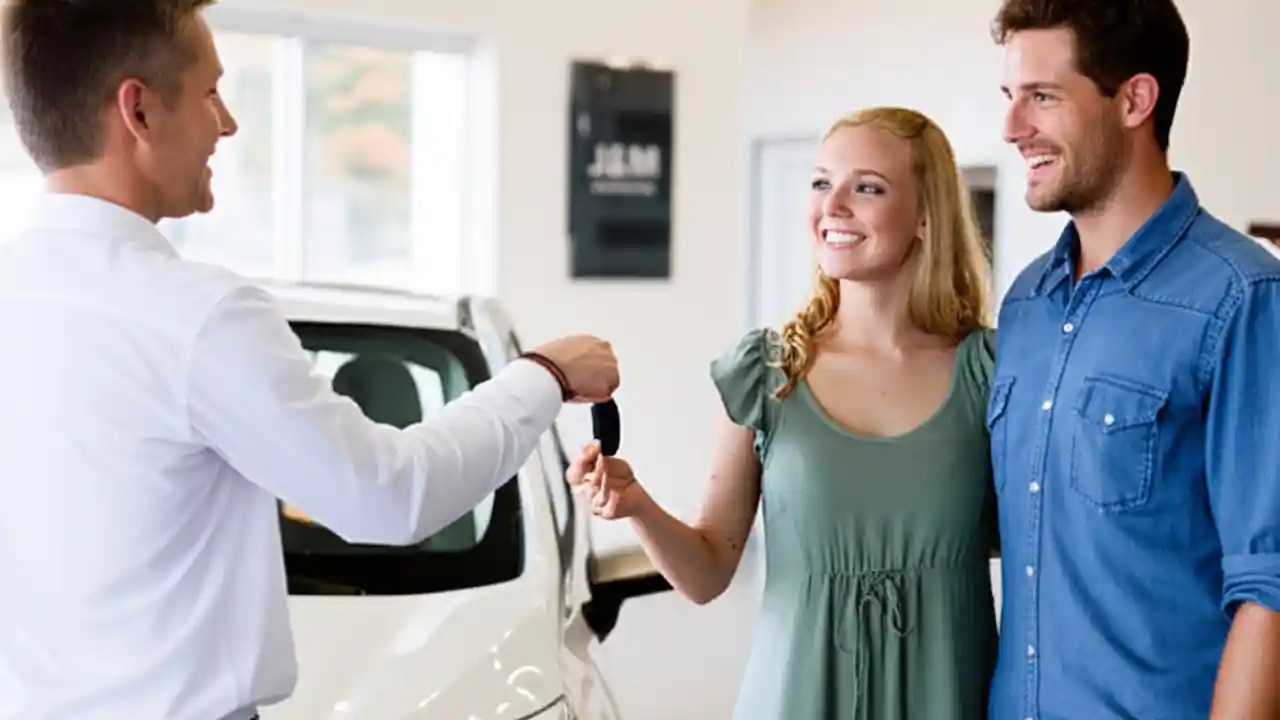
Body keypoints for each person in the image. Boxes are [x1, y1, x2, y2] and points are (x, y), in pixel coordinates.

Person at [0, 1, 619, 718]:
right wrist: (543, 375)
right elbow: (390, 496)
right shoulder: (199, 318)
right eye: (210, 92)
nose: (227, 124)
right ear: (137, 111)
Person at [571, 107, 999, 719]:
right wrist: (635, 503)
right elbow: (709, 571)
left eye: (868, 187)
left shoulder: (990, 371)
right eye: (822, 182)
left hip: (947, 697)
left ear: (927, 215)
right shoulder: (768, 374)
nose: (833, 206)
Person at [988, 1, 1280, 718]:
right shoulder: (1025, 303)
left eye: (1043, 97)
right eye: (1009, 97)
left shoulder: (1243, 297)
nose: (1012, 128)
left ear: (1135, 100)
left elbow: (1270, 586)